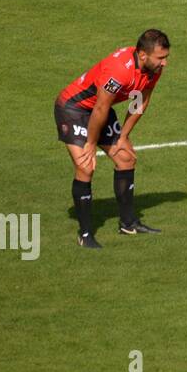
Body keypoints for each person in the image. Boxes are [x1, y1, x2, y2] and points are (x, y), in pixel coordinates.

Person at [54, 29, 170, 248]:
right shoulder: (118, 71)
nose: (164, 63)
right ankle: (85, 234)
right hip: (73, 109)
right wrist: (90, 143)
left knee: (126, 158)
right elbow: (100, 107)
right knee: (86, 167)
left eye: (166, 57)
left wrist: (124, 136)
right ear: (143, 55)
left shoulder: (153, 69)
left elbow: (141, 101)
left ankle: (128, 224)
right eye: (161, 58)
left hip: (100, 111)